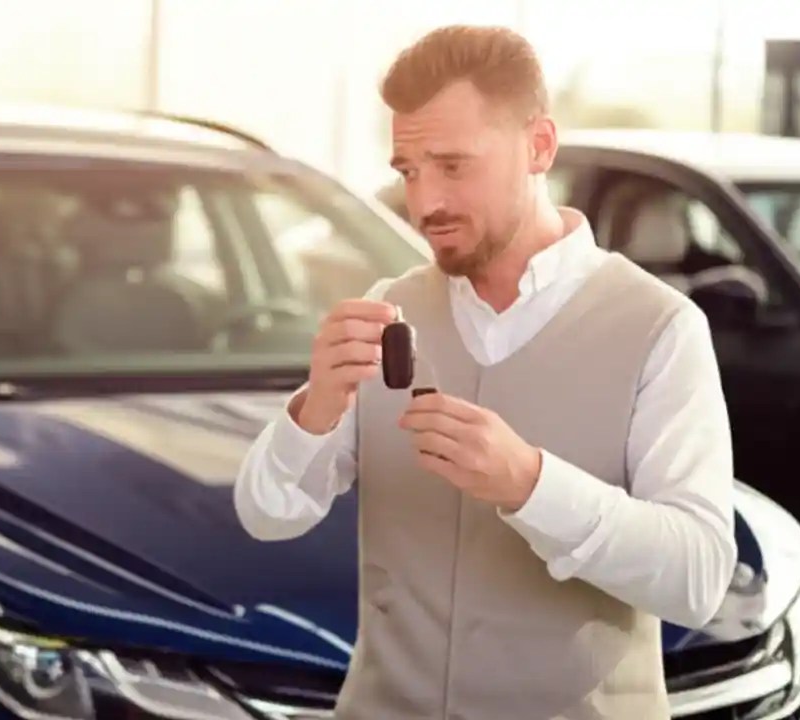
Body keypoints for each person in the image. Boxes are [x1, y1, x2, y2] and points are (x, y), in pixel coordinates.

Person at [233, 24, 737, 720]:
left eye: (452, 165)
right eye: (409, 171)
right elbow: (267, 515)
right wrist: (314, 408)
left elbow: (699, 578)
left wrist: (530, 484)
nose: (424, 202)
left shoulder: (662, 329)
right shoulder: (389, 312)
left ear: (539, 147)